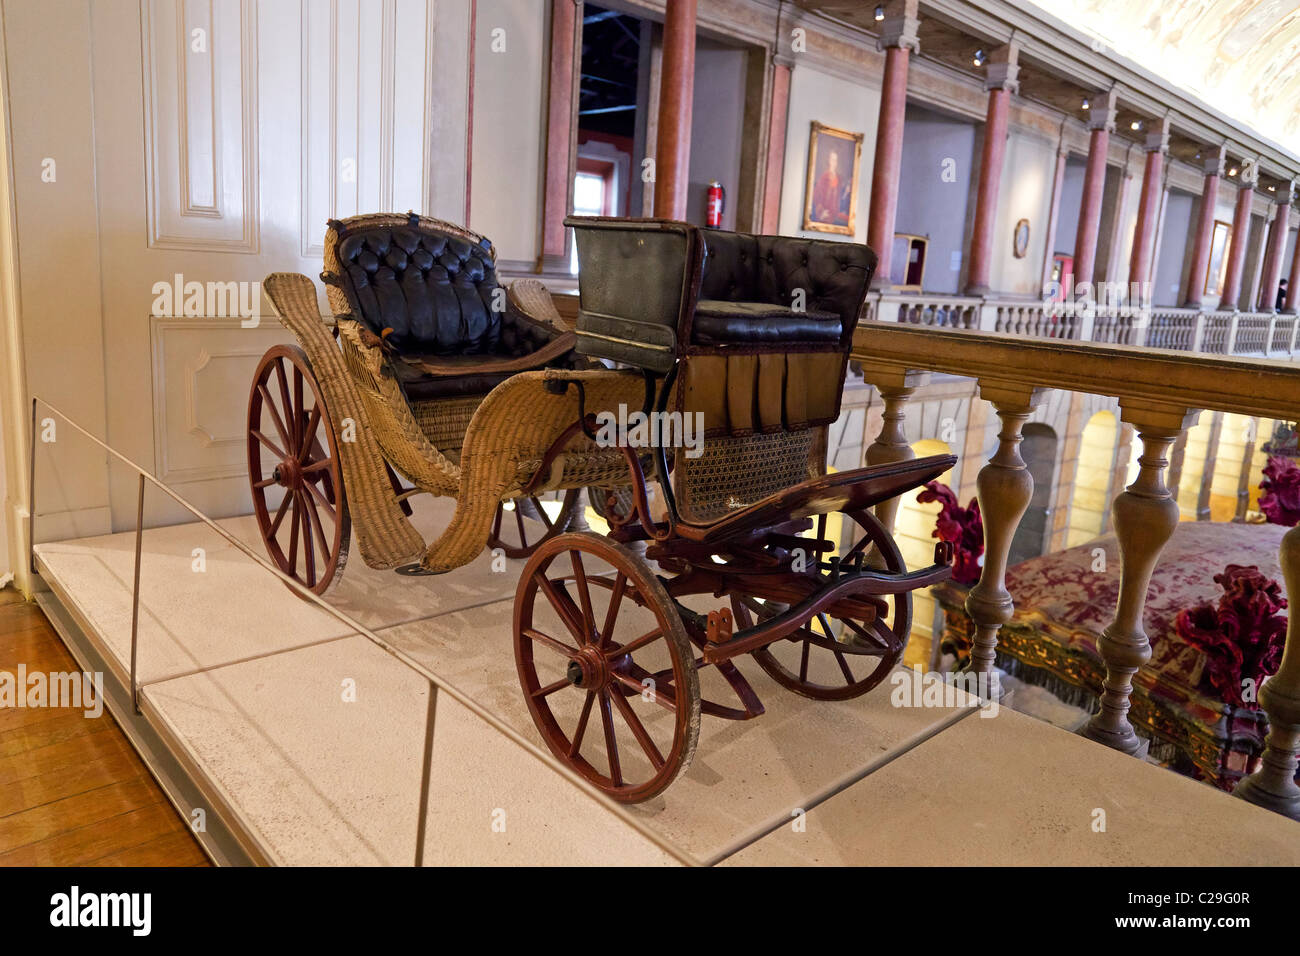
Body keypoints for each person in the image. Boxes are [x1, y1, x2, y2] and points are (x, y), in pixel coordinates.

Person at [813, 149, 846, 225]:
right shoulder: (824, 177)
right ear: (829, 161)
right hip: (825, 213)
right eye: (832, 159)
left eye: (835, 160)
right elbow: (816, 196)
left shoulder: (839, 178)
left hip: (835, 213)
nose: (834, 162)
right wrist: (821, 212)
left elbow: (840, 197)